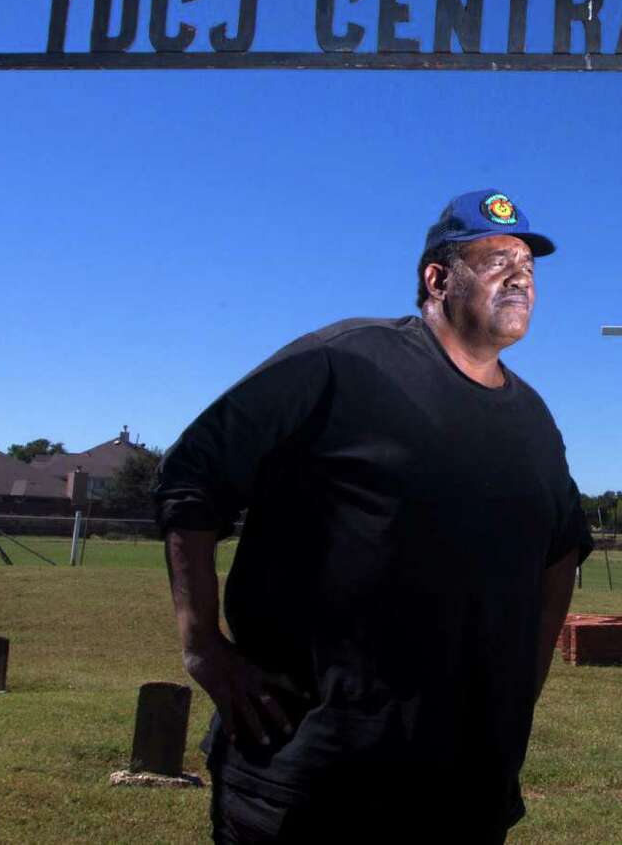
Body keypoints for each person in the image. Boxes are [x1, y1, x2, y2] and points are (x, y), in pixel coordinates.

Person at [153, 188, 591, 843]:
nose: (519, 276)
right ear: (437, 279)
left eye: (527, 264)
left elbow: (562, 549)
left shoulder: (532, 419)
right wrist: (202, 646)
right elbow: (192, 472)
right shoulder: (344, 360)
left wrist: (519, 692)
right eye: (496, 260)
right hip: (315, 775)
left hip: (465, 791)